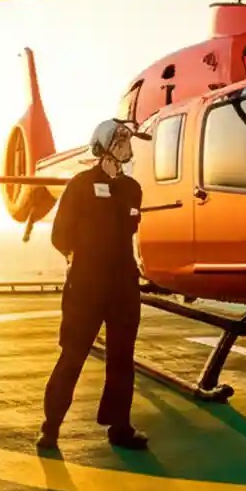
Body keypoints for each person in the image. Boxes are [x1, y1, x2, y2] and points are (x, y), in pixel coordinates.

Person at [37, 118, 151, 452]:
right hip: (86, 285)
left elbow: (128, 230)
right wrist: (83, 260)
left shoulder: (133, 189)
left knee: (122, 358)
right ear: (104, 145)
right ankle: (51, 427)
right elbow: (60, 236)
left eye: (126, 140)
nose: (125, 145)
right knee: (72, 355)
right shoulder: (80, 185)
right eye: (119, 139)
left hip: (123, 287)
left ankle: (120, 426)